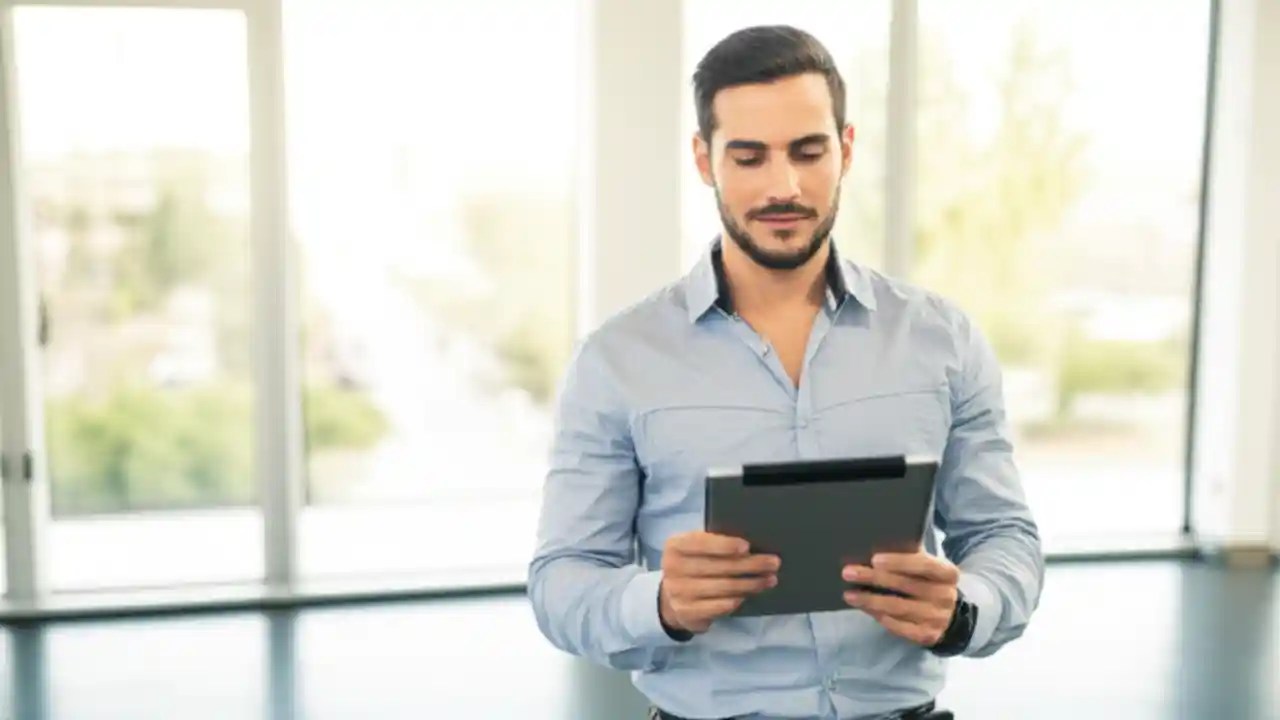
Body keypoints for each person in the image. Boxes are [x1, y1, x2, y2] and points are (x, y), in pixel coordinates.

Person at [528, 25, 1044, 720]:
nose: (784, 187)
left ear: (847, 149)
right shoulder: (617, 361)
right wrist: (659, 603)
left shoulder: (942, 341)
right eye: (749, 157)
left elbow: (1005, 537)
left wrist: (962, 609)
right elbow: (561, 581)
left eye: (809, 152)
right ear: (704, 160)